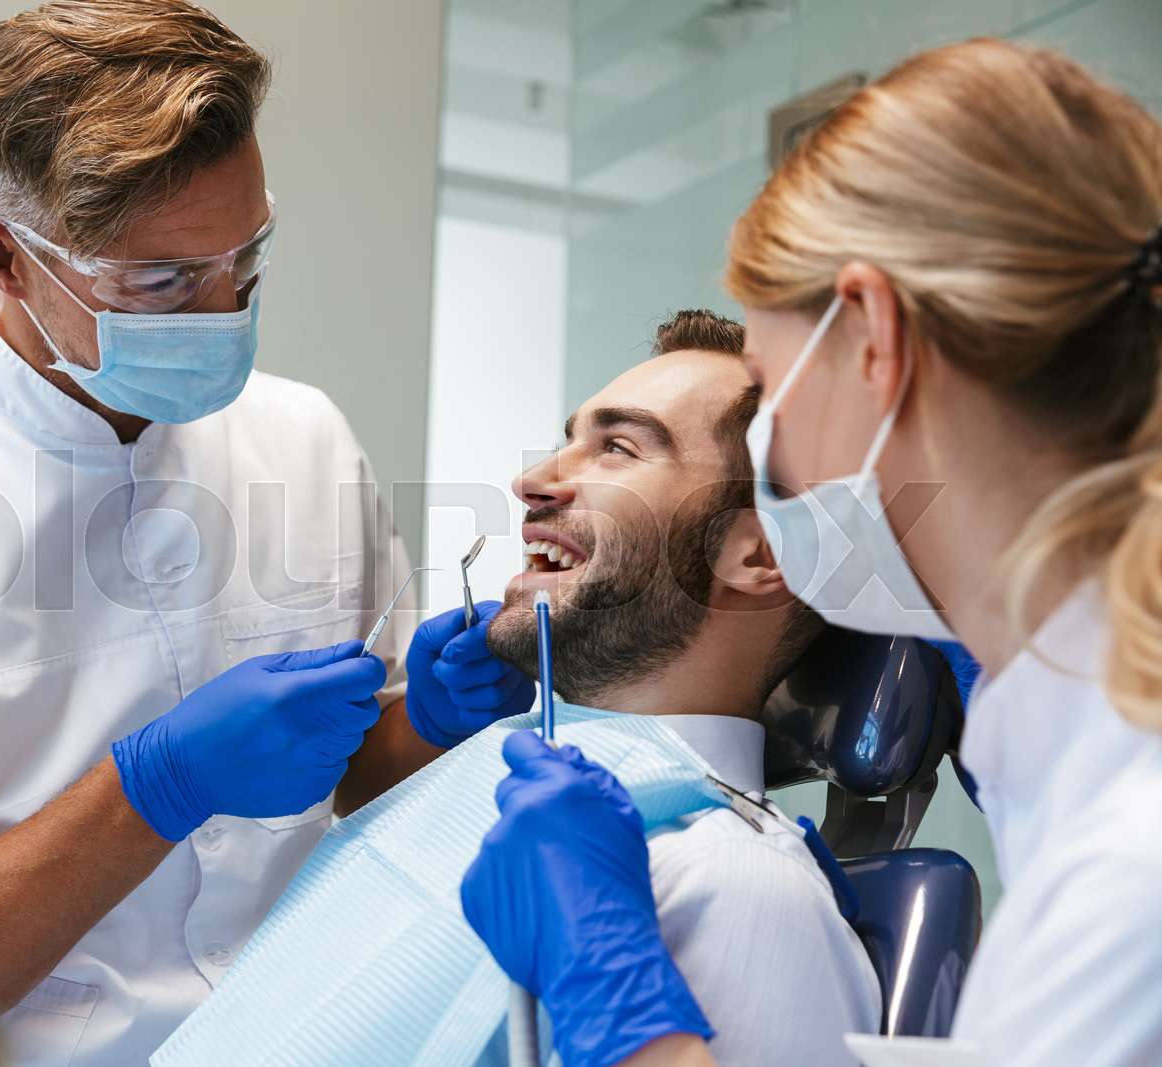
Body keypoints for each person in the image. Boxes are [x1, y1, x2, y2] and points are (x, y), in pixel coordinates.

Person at [0, 4, 528, 1065]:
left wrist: (421, 716)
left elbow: (349, 775)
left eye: (248, 251)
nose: (227, 304)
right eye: (164, 281)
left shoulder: (303, 436)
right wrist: (150, 789)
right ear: (0, 254)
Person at [461, 37, 1162, 1067]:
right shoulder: (1055, 747)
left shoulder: (1129, 856)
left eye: (766, 385)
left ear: (873, 335)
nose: (769, 457)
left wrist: (618, 1001)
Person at [156, 310, 880, 1066]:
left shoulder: (736, 885)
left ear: (758, 550)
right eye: (572, 440)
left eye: (619, 448)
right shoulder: (492, 782)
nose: (532, 482)